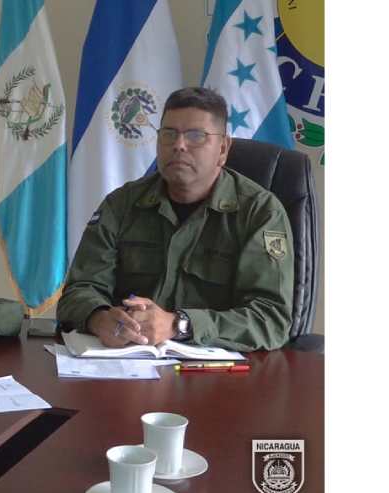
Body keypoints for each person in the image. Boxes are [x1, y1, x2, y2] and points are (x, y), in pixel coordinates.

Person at [57, 87, 294, 352]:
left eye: (196, 136)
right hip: (127, 366)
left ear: (223, 148)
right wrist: (99, 318)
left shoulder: (259, 212)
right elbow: (79, 291)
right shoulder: (121, 204)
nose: (179, 145)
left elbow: (271, 319)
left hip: (220, 377)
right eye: (169, 134)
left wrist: (178, 325)